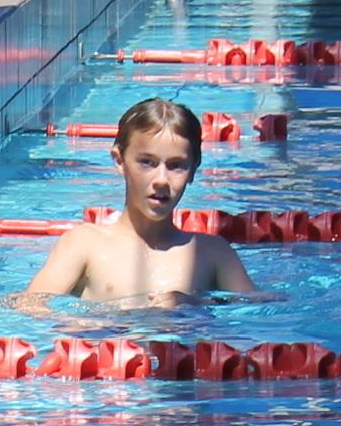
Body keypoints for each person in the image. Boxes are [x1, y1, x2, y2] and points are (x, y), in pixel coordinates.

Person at [25, 98, 257, 301]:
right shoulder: (84, 244)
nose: (161, 180)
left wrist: (197, 306)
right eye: (147, 162)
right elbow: (30, 309)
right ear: (119, 161)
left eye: (176, 166)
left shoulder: (213, 253)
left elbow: (264, 309)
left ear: (193, 169)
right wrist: (95, 323)